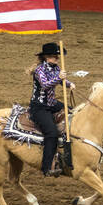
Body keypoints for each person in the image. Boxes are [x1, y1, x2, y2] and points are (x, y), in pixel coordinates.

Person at [28, 42, 74, 177]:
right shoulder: (39, 70)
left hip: (52, 103)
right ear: (47, 57)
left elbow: (62, 81)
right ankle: (46, 167)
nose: (57, 59)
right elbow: (45, 84)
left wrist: (69, 84)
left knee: (73, 111)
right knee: (51, 134)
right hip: (39, 107)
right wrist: (59, 77)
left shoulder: (55, 67)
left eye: (57, 57)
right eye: (55, 57)